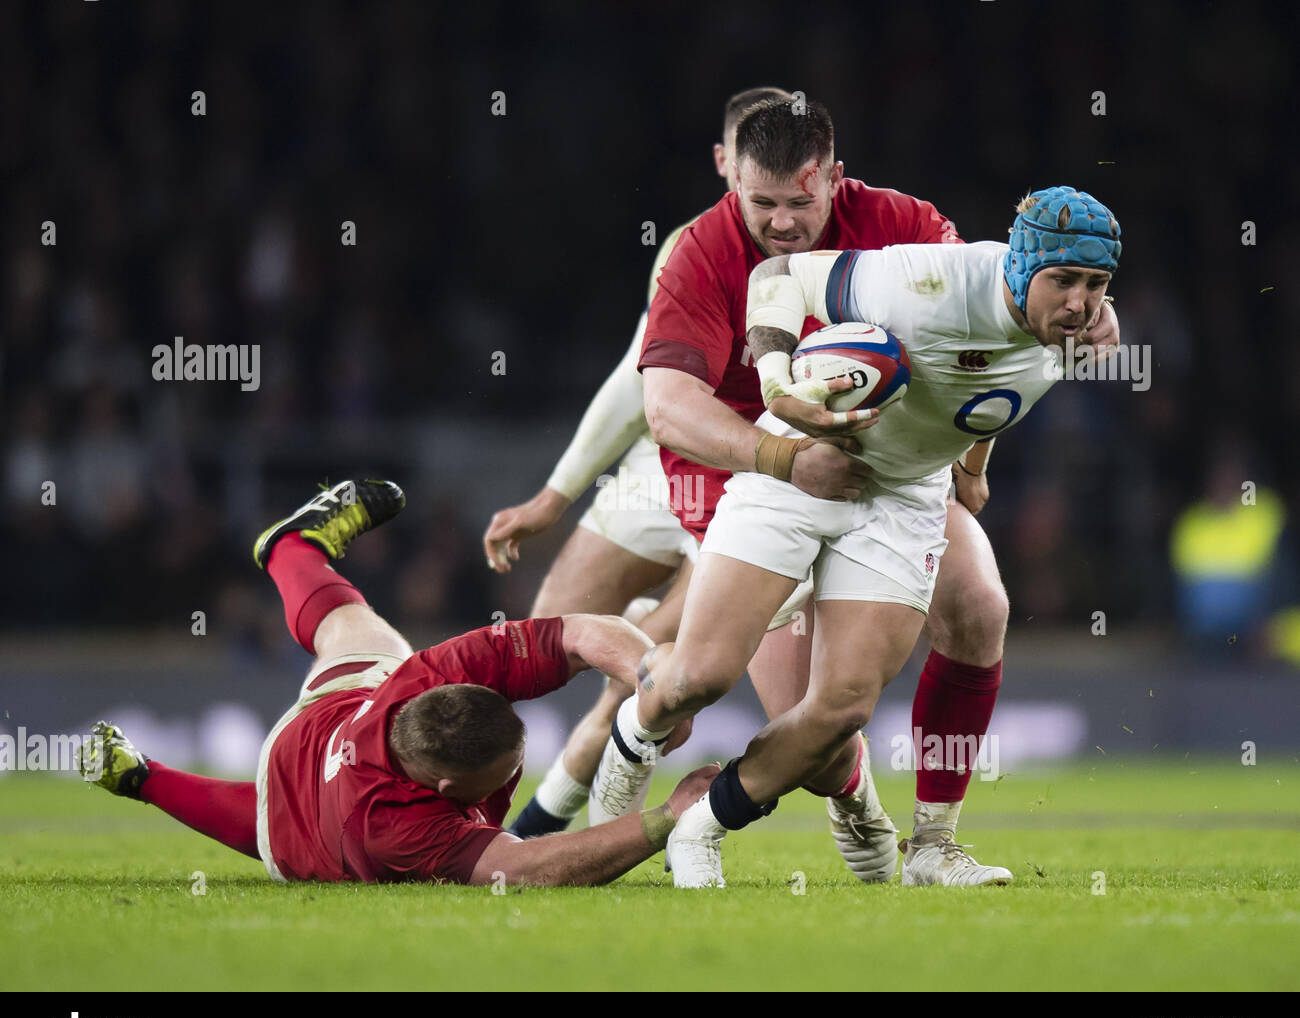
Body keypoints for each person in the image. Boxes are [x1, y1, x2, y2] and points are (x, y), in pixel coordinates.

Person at [590, 101, 1119, 885]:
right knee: (720, 686)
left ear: (835, 181)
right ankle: (651, 747)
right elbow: (668, 411)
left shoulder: (913, 233)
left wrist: (971, 468)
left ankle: (931, 844)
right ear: (730, 177)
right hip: (752, 457)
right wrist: (781, 443)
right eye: (759, 202)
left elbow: (982, 360)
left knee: (960, 622)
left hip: (898, 477)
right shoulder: (702, 254)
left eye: (799, 203)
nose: (778, 221)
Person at [77, 480, 718, 886]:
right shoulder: (394, 828)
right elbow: (528, 867)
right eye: (507, 770)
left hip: (336, 711)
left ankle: (290, 548)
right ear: (445, 790)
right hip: (313, 816)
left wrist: (660, 685)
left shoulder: (433, 675)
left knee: (370, 639)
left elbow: (580, 633)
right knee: (272, 828)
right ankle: (141, 777)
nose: (517, 770)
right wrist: (668, 816)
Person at [486, 88, 799, 839]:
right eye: (746, 167)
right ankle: (517, 803)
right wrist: (552, 500)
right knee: (549, 636)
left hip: (751, 486)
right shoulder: (690, 248)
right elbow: (638, 375)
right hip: (660, 469)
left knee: (663, 681)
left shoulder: (829, 249)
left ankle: (541, 827)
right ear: (727, 163)